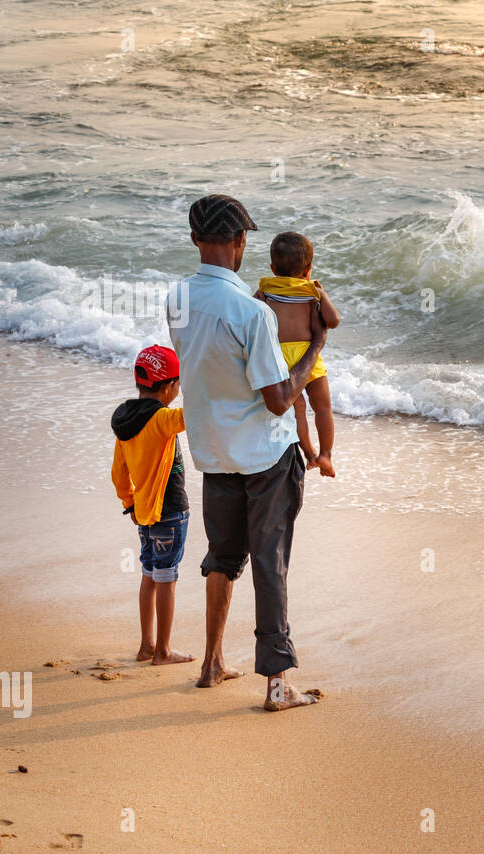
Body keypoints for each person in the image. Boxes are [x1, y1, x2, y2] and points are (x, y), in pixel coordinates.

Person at [167, 194, 324, 711]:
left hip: (212, 453)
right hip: (264, 457)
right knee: (269, 566)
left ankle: (212, 663)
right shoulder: (251, 312)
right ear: (240, 242)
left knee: (223, 558)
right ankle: (277, 687)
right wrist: (315, 350)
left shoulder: (177, 300)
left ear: (194, 240)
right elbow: (278, 400)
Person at [110, 344, 195, 667]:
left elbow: (118, 472)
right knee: (167, 578)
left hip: (144, 512)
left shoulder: (125, 424)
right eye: (179, 384)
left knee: (149, 574)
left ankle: (146, 645)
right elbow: (191, 415)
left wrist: (130, 504)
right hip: (170, 511)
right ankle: (163, 650)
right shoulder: (161, 419)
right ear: (168, 387)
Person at [255, 231, 341, 477]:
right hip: (307, 356)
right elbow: (333, 321)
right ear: (308, 269)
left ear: (272, 267)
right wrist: (320, 292)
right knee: (323, 407)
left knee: (298, 408)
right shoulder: (311, 290)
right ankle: (326, 455)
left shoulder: (265, 289)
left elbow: (253, 315)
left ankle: (309, 454)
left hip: (279, 357)